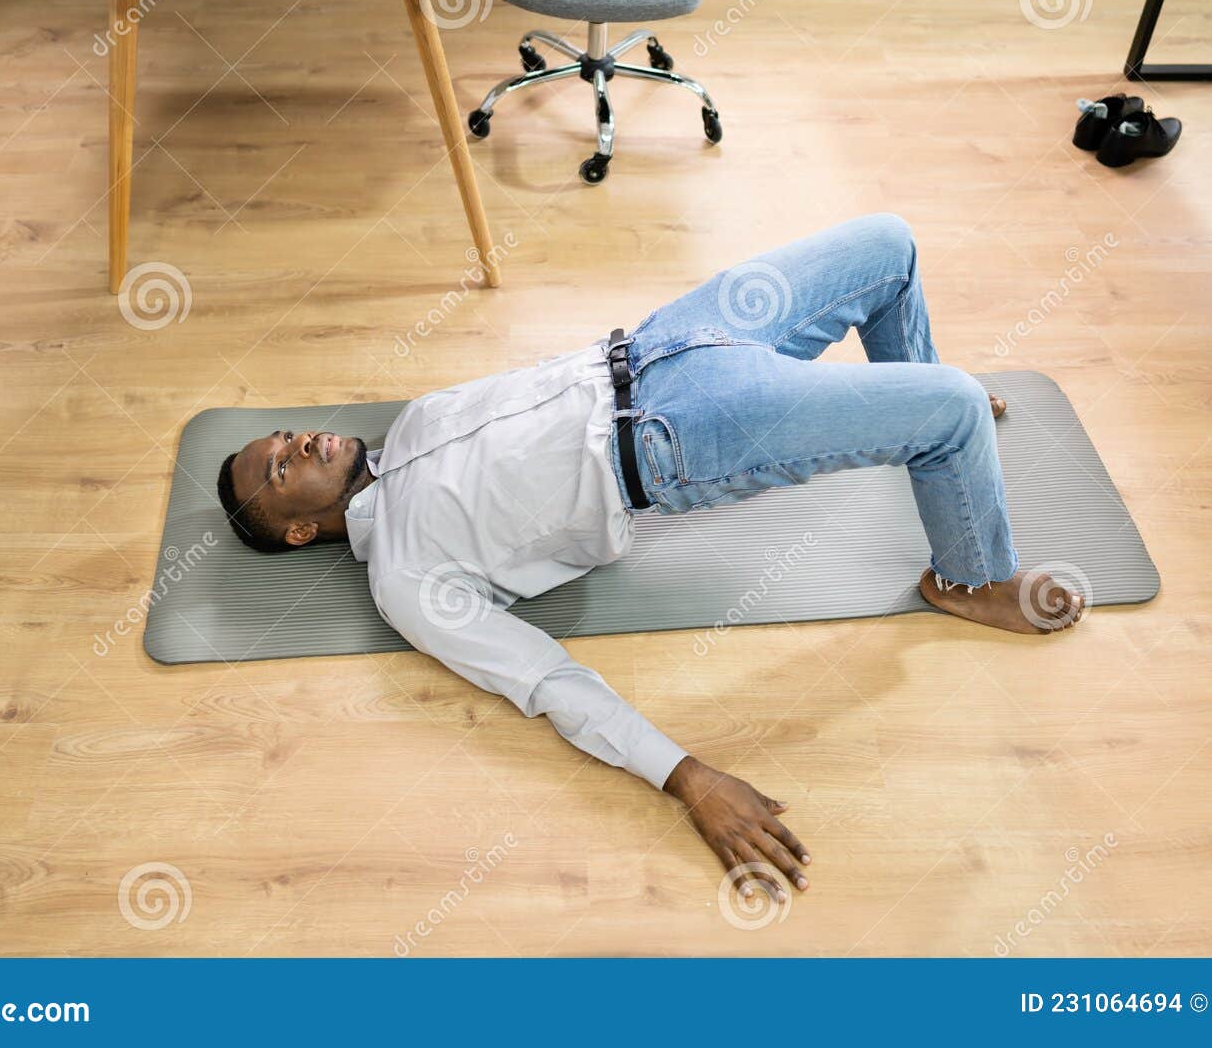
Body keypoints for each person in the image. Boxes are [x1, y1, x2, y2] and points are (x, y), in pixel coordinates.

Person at [215, 215, 1084, 903]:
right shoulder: (404, 576)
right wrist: (687, 777)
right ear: (297, 530)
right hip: (683, 434)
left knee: (890, 245)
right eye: (281, 466)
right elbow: (546, 679)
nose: (298, 442)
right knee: (958, 408)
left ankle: (911, 409)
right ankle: (970, 574)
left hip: (670, 335)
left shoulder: (407, 427)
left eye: (284, 434)